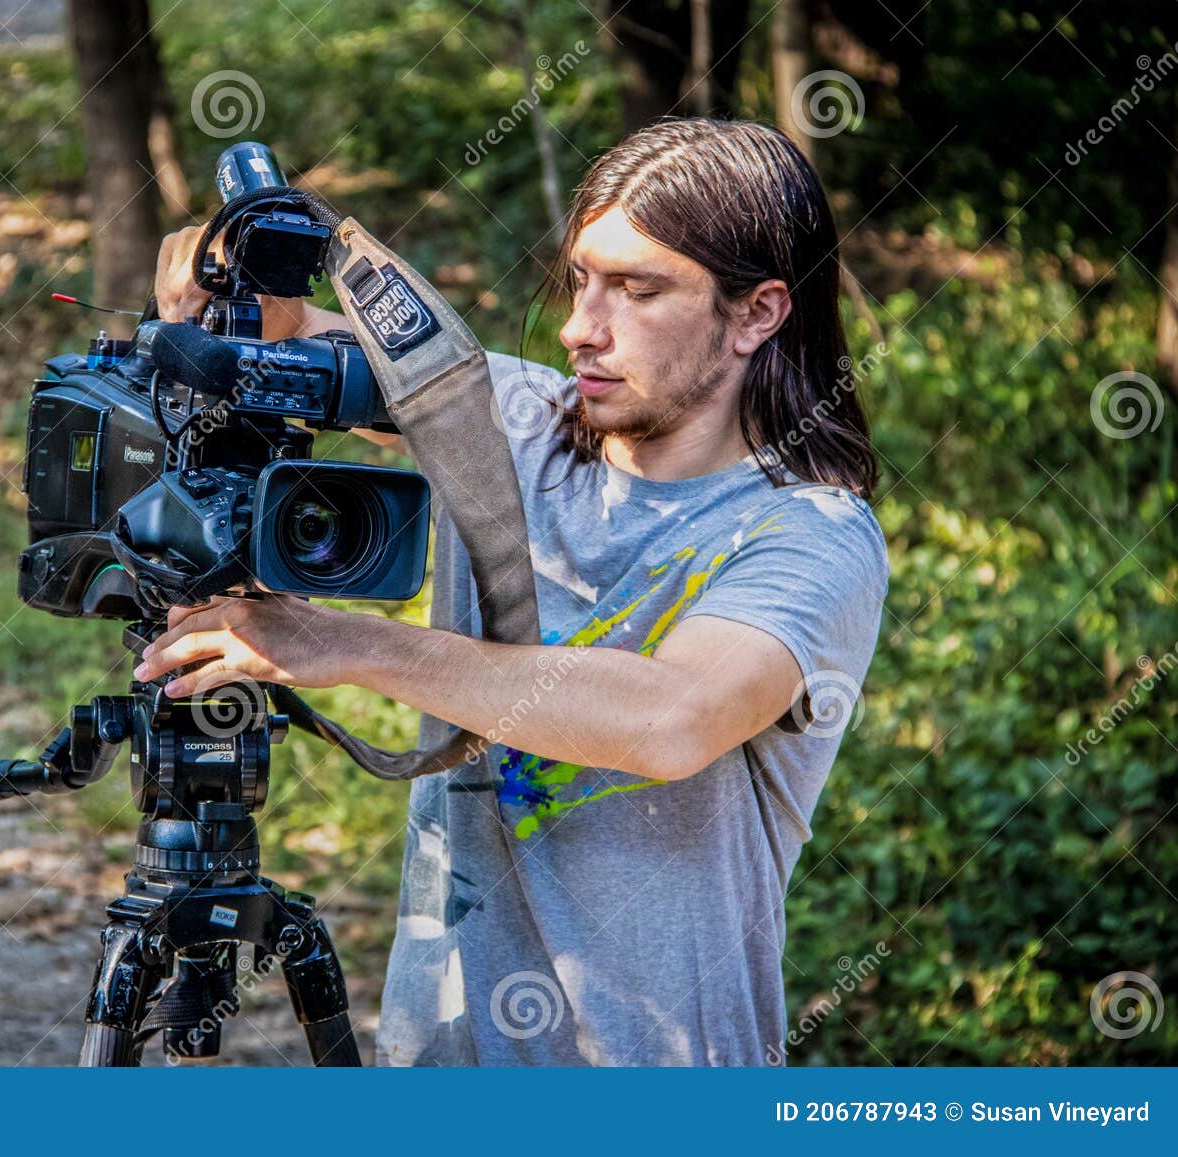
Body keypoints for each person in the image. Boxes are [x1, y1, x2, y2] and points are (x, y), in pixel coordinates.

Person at [134, 117, 888, 1066]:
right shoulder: (517, 423)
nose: (581, 327)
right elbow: (278, 344)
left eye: (638, 290)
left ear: (757, 313)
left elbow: (670, 718)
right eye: (582, 278)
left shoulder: (808, 535)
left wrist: (353, 645)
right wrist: (234, 272)